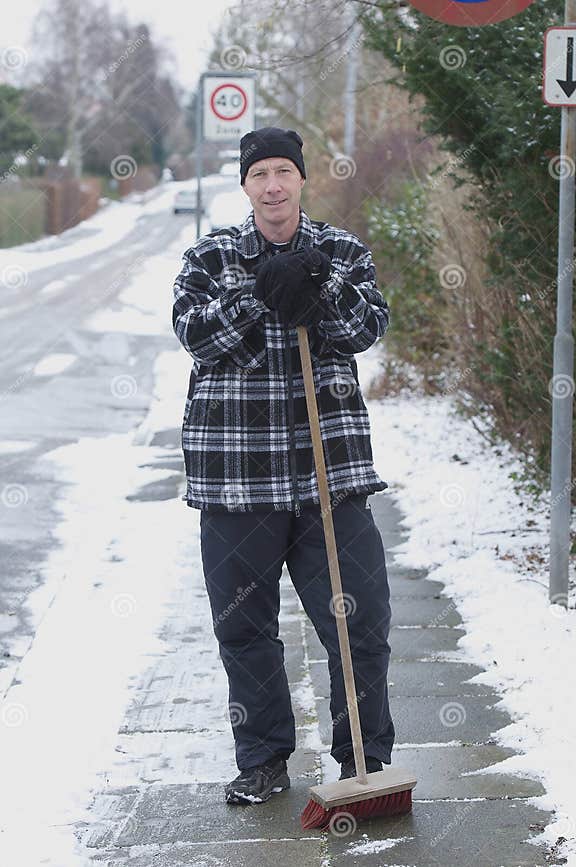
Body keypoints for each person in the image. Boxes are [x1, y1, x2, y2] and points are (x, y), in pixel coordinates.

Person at [172, 127, 395, 805]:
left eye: (284, 173)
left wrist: (317, 289)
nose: (273, 185)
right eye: (260, 173)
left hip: (331, 474)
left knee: (361, 619)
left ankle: (365, 758)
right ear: (245, 184)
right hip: (236, 477)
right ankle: (264, 758)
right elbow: (193, 332)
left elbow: (368, 327)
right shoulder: (209, 257)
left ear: (302, 180)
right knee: (245, 626)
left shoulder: (341, 251)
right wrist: (256, 295)